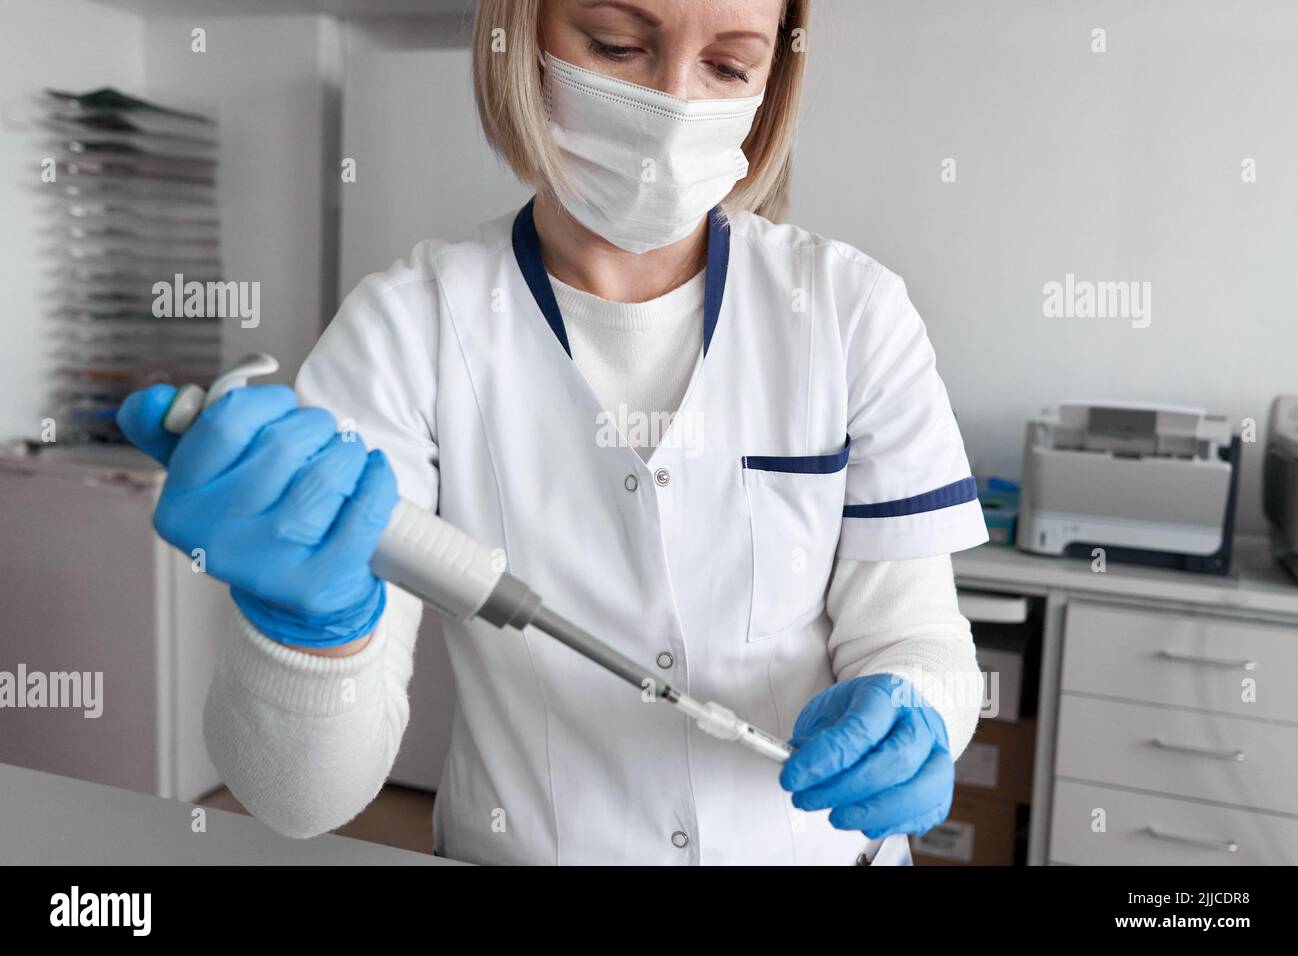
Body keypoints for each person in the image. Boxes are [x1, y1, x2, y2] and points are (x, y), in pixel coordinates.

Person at [119, 0, 988, 865]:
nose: (676, 104)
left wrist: (916, 707)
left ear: (773, 82)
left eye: (728, 66)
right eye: (618, 45)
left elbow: (916, 634)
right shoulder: (408, 327)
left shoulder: (849, 312)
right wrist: (305, 631)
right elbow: (301, 803)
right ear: (520, 40)